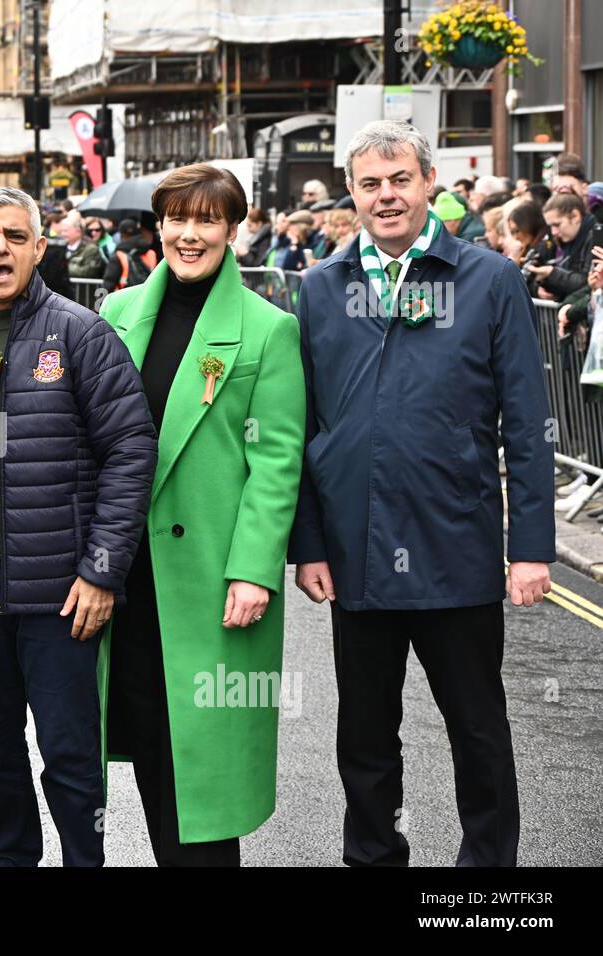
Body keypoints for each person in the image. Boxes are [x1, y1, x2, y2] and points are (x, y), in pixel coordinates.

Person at [289, 120, 554, 867]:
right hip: (357, 549)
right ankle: (373, 857)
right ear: (351, 192)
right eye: (371, 183)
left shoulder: (489, 279)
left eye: (400, 179)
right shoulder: (320, 287)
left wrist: (532, 549)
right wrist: (308, 545)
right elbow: (299, 427)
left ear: (429, 182)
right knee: (365, 735)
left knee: (478, 729)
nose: (387, 196)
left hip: (456, 542)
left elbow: (527, 424)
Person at [0, 186, 156, 867]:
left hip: (60, 591)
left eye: (15, 236)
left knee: (69, 750)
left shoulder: (81, 333)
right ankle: (9, 854)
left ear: (39, 248)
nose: (0, 250)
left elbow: (131, 451)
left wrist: (102, 569)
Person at [97, 163, 306, 866]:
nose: (190, 234)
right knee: (152, 739)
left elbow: (276, 464)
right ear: (159, 226)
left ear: (232, 230)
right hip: (127, 571)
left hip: (214, 575)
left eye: (207, 220)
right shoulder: (117, 312)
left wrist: (254, 570)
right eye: (177, 219)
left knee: (204, 767)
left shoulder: (269, 329)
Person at [103, 217, 158, 292]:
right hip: (147, 294)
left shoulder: (118, 256)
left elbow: (109, 283)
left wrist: (100, 298)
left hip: (124, 296)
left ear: (121, 235)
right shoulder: (151, 253)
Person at [58, 212, 105, 279]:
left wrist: (63, 268)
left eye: (65, 231)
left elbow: (89, 272)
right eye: (61, 231)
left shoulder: (91, 249)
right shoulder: (60, 247)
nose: (63, 234)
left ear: (78, 231)